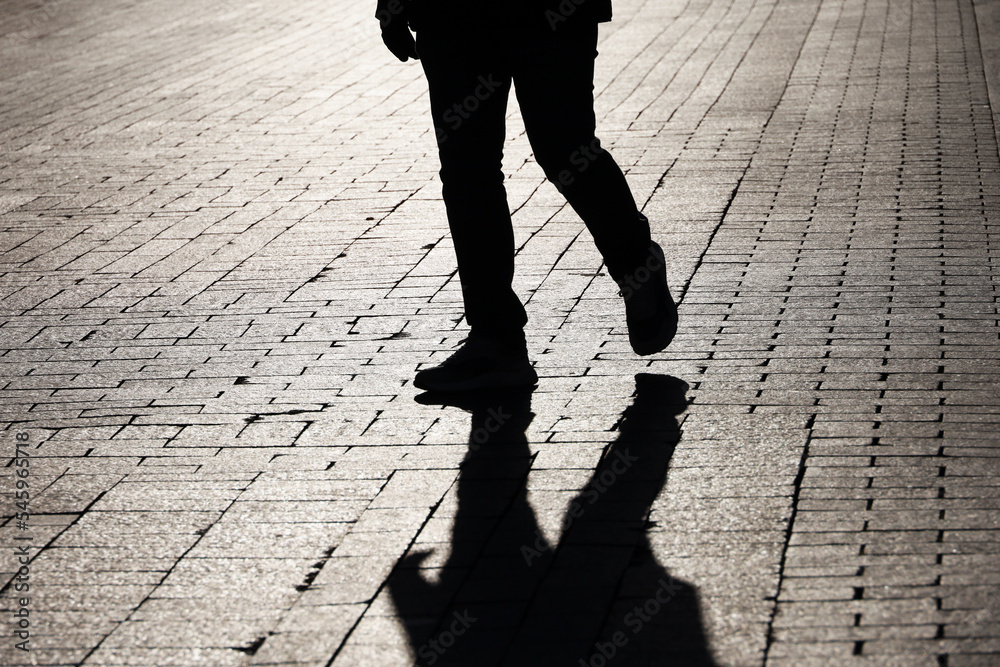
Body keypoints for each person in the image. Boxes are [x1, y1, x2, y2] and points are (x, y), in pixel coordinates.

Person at [375, 0, 678, 393]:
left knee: (565, 150)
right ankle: (494, 338)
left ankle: (633, 261)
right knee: (470, 168)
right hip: (452, 13)